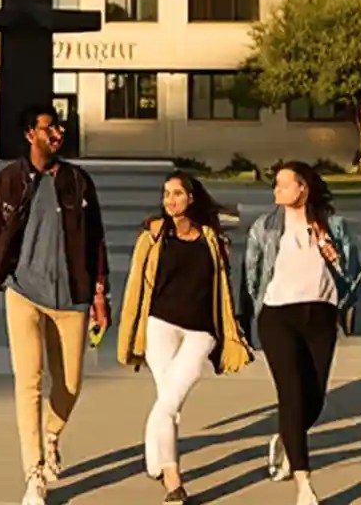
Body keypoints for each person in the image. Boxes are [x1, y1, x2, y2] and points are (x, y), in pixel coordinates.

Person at [0, 103, 111, 505]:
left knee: (70, 384)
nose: (57, 132)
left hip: (70, 295)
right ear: (29, 135)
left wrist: (99, 293)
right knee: (29, 382)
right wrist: (6, 271)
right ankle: (34, 474)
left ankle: (52, 433)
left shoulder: (78, 182)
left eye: (58, 126)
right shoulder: (7, 182)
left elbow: (96, 241)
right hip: (24, 293)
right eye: (48, 127)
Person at [117, 171, 253, 504]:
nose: (169, 200)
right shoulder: (153, 236)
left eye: (176, 194)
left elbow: (222, 291)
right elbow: (137, 286)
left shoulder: (211, 239)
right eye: (165, 194)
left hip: (200, 331)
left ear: (191, 198)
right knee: (168, 401)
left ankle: (155, 458)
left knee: (170, 400)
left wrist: (230, 331)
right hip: (160, 325)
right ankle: (173, 480)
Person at [240, 161, 361, 505]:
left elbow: (350, 268)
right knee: (291, 395)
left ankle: (286, 437)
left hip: (321, 316)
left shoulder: (331, 226)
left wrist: (343, 300)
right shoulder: (265, 228)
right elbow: (251, 277)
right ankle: (304, 486)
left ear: (303, 188)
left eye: (283, 184)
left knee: (315, 398)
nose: (276, 190)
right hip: (279, 317)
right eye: (275, 184)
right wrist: (250, 315)